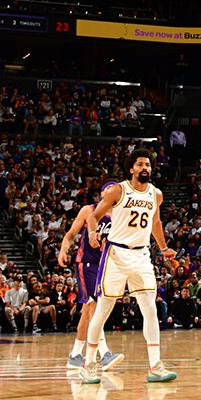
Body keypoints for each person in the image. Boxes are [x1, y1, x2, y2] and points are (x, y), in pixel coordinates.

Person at [81, 149, 178, 383]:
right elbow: (94, 215)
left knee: (151, 310)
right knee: (103, 310)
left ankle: (155, 365)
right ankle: (89, 363)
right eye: (140, 164)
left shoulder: (156, 194)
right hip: (116, 254)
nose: (145, 168)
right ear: (131, 168)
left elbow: (155, 222)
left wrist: (164, 249)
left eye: (148, 165)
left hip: (142, 255)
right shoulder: (119, 190)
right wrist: (93, 232)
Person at [59, 199, 122, 375]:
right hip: (86, 264)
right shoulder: (89, 211)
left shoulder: (120, 215)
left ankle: (75, 355)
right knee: (95, 307)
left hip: (105, 266)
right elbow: (71, 234)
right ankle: (104, 353)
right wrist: (63, 250)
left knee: (88, 311)